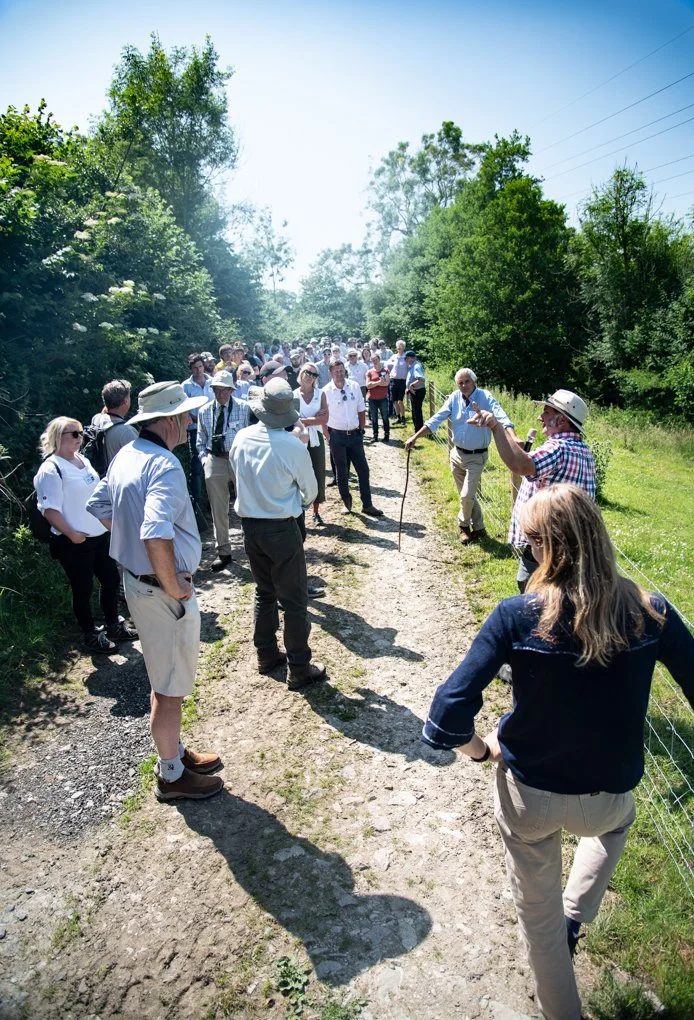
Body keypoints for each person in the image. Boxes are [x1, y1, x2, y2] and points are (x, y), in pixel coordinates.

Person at [421, 484, 693, 1020]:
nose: (526, 550)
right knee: (618, 823)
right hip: (607, 795)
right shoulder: (651, 611)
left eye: (529, 542)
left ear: (548, 548)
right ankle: (576, 913)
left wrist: (481, 751)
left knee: (537, 920)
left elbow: (447, 712)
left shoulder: (515, 615)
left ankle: (560, 999)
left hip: (529, 796)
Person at [86, 381, 224, 803]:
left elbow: (98, 505)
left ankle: (174, 753)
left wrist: (131, 547)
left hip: (138, 582)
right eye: (185, 415)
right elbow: (154, 530)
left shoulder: (127, 454)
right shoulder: (163, 464)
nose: (190, 421)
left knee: (163, 677)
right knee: (170, 687)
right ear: (170, 420)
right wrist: (172, 584)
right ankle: (171, 775)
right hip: (160, 591)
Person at [229, 380, 326, 691]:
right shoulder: (292, 445)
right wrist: (294, 503)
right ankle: (298, 667)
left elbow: (235, 474)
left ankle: (267, 654)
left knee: (264, 591)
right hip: (281, 526)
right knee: (294, 599)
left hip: (250, 526)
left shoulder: (242, 438)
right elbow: (311, 491)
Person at [469, 388, 595, 590]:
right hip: (570, 542)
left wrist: (496, 427)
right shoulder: (584, 451)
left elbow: (520, 465)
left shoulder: (558, 448)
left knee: (531, 589)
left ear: (562, 420)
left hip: (545, 544)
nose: (540, 417)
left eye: (546, 412)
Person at [33, 417, 137, 654]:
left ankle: (113, 624)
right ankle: (90, 633)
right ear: (58, 437)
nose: (80, 438)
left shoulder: (82, 460)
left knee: (110, 579)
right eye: (74, 434)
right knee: (82, 588)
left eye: (81, 433)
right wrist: (72, 534)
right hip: (73, 541)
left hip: (97, 535)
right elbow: (49, 510)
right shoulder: (51, 469)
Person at [405, 368, 517, 543]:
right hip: (456, 455)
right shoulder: (454, 398)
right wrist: (415, 437)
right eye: (460, 383)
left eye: (467, 382)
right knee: (468, 497)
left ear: (474, 381)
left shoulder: (485, 397)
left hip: (476, 457)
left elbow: (502, 417)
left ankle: (463, 526)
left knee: (466, 496)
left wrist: (514, 437)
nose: (464, 386)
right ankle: (479, 528)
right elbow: (436, 419)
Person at [196, 369, 249, 572]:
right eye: (217, 389)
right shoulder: (204, 411)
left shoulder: (243, 408)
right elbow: (200, 440)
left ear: (231, 390)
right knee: (218, 508)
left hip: (237, 458)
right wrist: (205, 461)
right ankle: (224, 551)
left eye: (225, 389)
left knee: (246, 502)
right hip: (214, 458)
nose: (221, 393)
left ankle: (251, 544)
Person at [323, 357, 384, 518]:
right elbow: (322, 416)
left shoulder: (354, 386)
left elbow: (361, 409)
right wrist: (328, 436)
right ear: (330, 373)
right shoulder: (326, 391)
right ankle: (346, 503)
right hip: (337, 437)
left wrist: (361, 429)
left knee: (363, 470)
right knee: (342, 472)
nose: (339, 373)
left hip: (355, 435)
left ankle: (367, 504)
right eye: (336, 371)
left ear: (345, 370)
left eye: (341, 370)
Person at [294, 362, 329, 526]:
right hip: (298, 438)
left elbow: (324, 419)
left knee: (318, 472)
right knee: (297, 473)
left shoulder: (320, 394)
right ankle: (298, 511)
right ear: (301, 373)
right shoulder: (293, 395)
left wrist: (303, 420)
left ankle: (316, 511)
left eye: (314, 374)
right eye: (307, 372)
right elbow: (291, 419)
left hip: (316, 438)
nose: (310, 376)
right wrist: (313, 419)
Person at [181, 353, 213, 522]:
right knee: (197, 466)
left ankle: (212, 502)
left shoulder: (212, 381)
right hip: (195, 429)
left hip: (213, 427)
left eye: (200, 366)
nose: (198, 370)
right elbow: (184, 409)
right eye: (195, 368)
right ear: (191, 369)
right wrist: (198, 419)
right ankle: (197, 506)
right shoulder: (185, 386)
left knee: (215, 462)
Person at [90, 379, 138, 469]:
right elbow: (139, 462)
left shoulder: (96, 419)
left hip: (98, 474)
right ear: (126, 401)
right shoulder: (127, 431)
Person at [365, 353, 391, 443]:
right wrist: (379, 383)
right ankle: (375, 435)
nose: (374, 361)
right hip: (372, 399)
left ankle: (386, 435)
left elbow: (386, 383)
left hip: (383, 398)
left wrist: (374, 383)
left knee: (385, 417)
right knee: (374, 418)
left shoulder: (385, 371)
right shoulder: (369, 372)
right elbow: (368, 385)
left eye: (376, 359)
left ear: (379, 360)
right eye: (373, 360)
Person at [386, 341, 409, 425]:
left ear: (404, 347)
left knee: (400, 401)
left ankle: (403, 417)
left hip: (402, 381)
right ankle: (398, 417)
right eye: (398, 345)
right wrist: (389, 372)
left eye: (401, 345)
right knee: (395, 401)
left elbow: (409, 368)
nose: (399, 347)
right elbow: (387, 364)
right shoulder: (394, 357)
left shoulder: (406, 357)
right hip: (394, 380)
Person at [404, 351, 426, 432]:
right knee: (415, 410)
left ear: (412, 358)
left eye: (407, 358)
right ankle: (417, 429)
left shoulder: (416, 366)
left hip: (418, 391)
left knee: (416, 411)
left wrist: (411, 385)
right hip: (414, 391)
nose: (406, 360)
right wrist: (408, 388)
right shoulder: (412, 366)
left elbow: (421, 379)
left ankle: (418, 430)